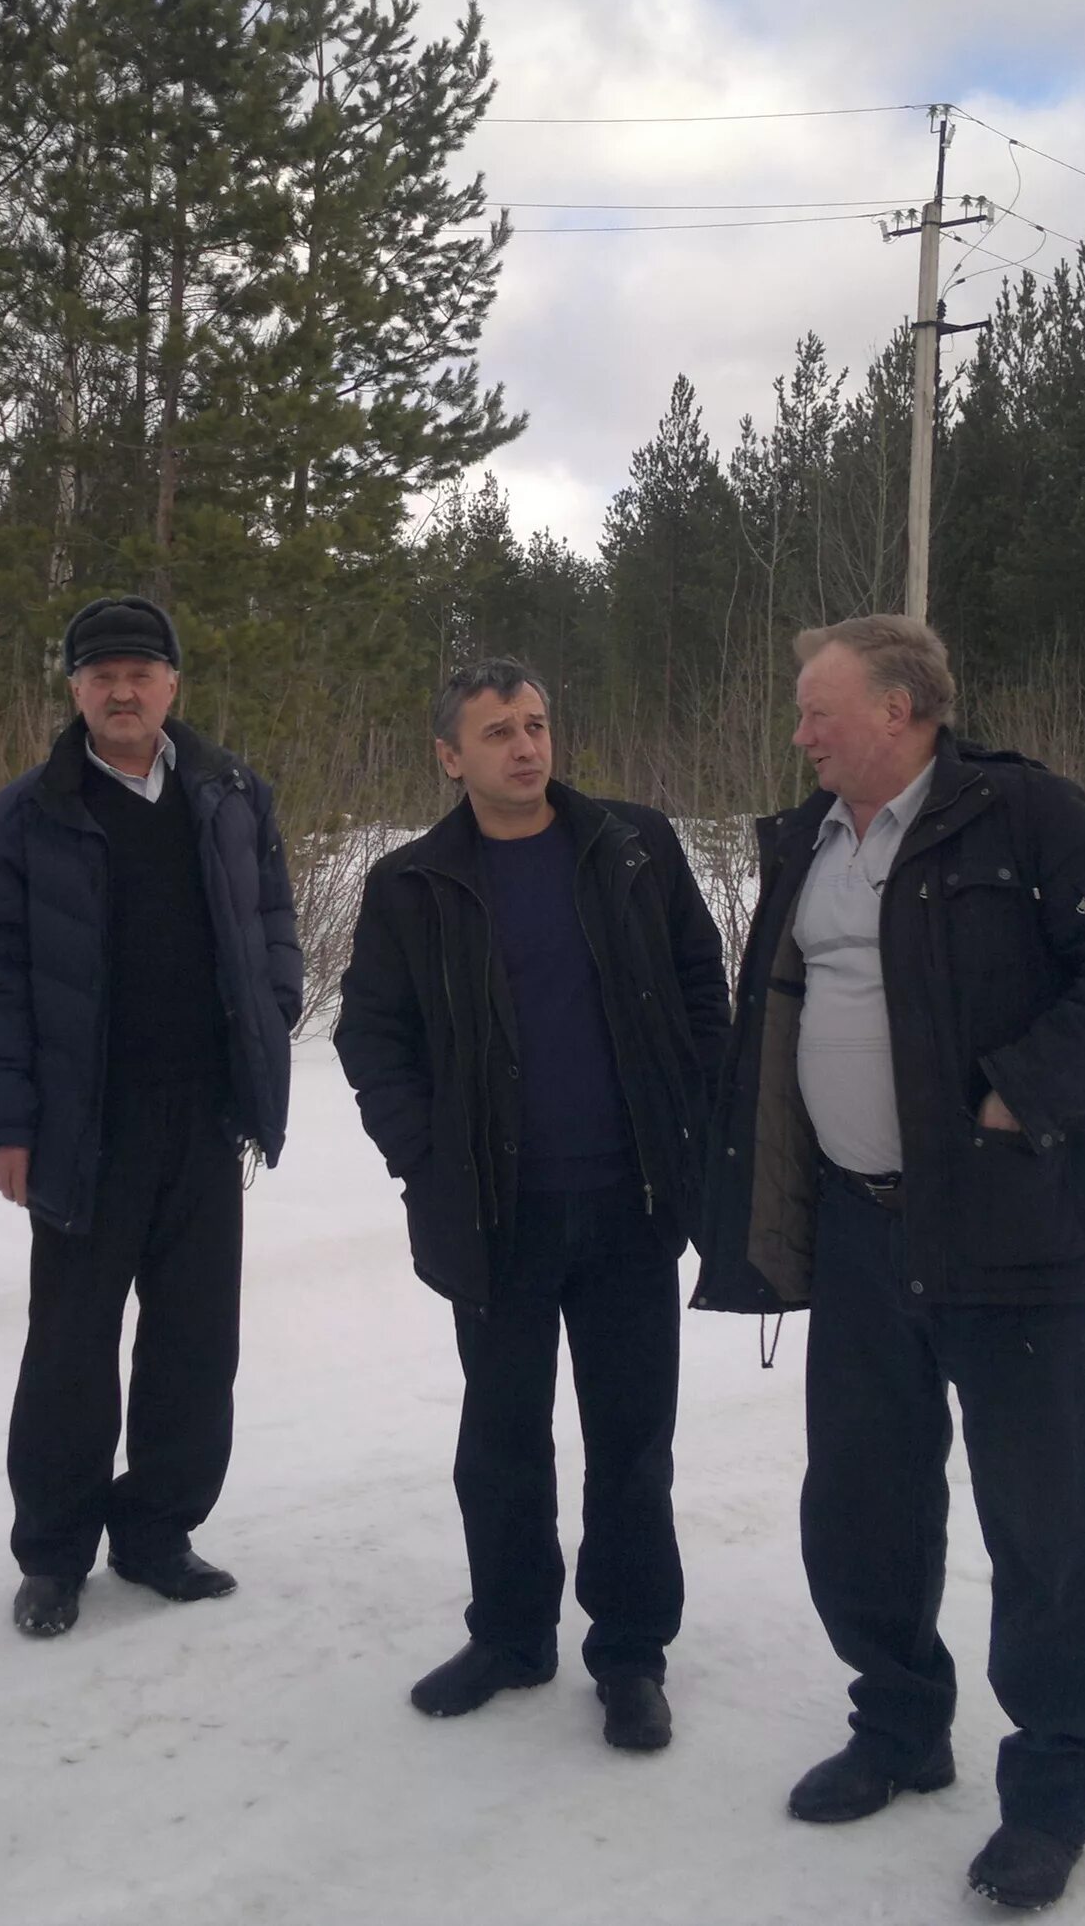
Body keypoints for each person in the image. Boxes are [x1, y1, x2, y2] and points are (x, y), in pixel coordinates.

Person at [693, 615, 1085, 1914]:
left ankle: (1054, 1790)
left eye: (819, 711)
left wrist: (1016, 1095)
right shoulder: (811, 836)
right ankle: (901, 1727)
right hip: (859, 1228)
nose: (799, 733)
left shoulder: (1021, 817)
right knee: (862, 1495)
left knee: (1040, 1525)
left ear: (904, 709)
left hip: (1006, 1228)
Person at [335, 659, 728, 1753]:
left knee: (631, 1440)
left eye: (539, 723)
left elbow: (704, 989)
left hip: (631, 1201)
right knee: (502, 1440)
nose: (526, 745)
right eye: (499, 731)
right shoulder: (413, 883)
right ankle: (510, 1637)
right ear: (449, 756)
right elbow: (372, 1036)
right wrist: (426, 1156)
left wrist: (690, 1112)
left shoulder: (632, 845)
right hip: (495, 1216)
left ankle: (632, 1653)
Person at [0, 596, 302, 1640]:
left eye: (142, 671)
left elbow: (272, 917)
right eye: (101, 675)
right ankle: (54, 1553)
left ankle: (156, 1534)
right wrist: (1, 1126)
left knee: (195, 1342)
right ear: (74, 693)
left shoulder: (232, 795)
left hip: (203, 1116)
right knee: (70, 1346)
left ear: (174, 686)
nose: (123, 690)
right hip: (81, 1127)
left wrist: (272, 1016)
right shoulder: (25, 817)